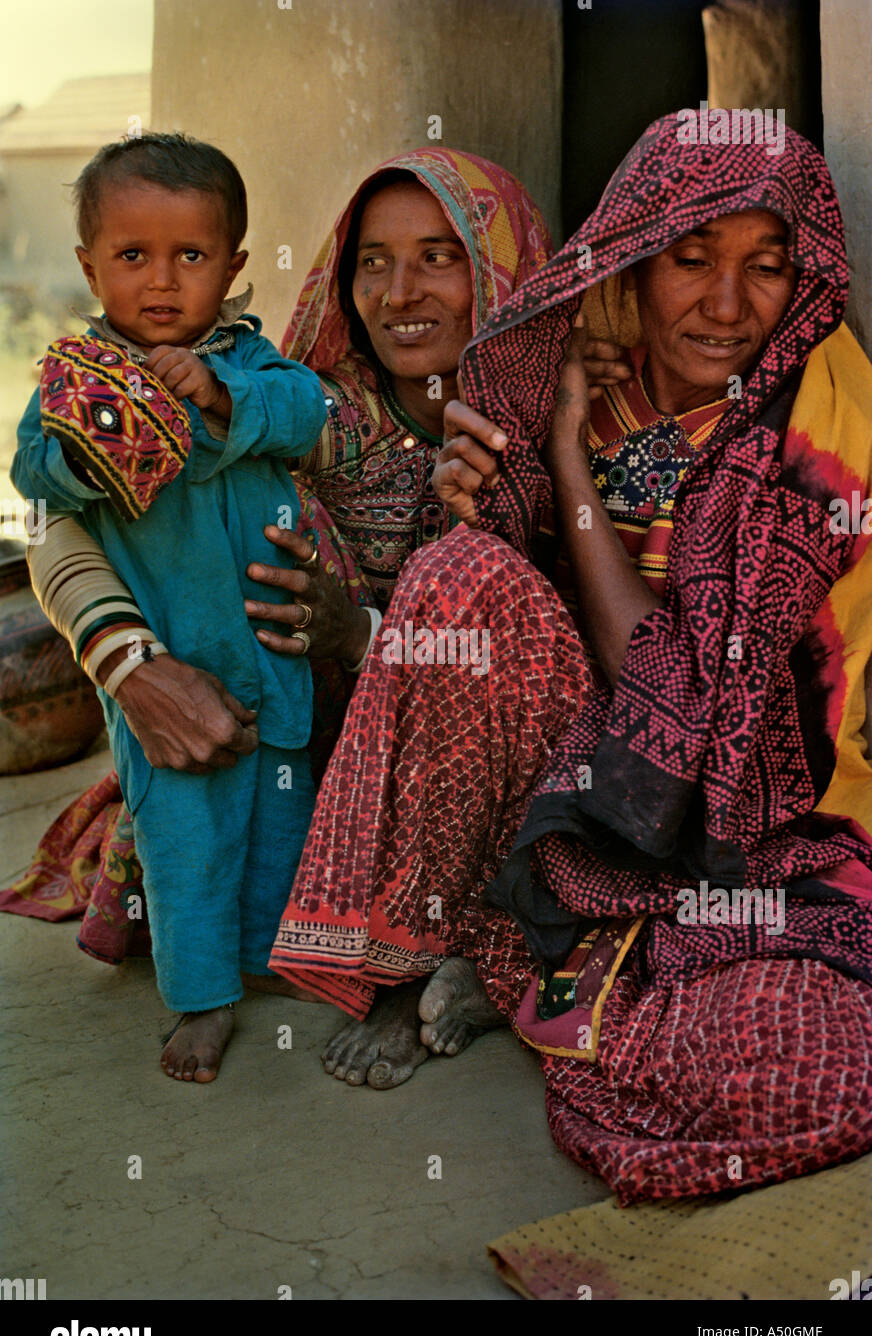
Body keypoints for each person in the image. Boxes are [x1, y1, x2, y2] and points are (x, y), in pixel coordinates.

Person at [266, 112, 872, 1202]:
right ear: (637, 256)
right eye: (689, 261)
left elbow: (669, 673)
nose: (724, 307)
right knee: (456, 579)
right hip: (574, 800)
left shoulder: (826, 434)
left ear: (807, 275)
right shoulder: (571, 367)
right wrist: (516, 471)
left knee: (802, 1062)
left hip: (763, 837)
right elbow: (481, 609)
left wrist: (569, 472)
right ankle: (437, 952)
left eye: (765, 268)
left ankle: (540, 956)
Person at [2, 147, 555, 1056]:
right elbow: (53, 511)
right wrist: (127, 655)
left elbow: (563, 654)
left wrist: (366, 631)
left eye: (441, 254)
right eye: (372, 261)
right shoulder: (263, 402)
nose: (400, 289)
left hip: (473, 746)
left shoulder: (560, 419)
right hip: (277, 713)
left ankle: (386, 951)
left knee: (286, 825)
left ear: (498, 267)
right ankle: (226, 985)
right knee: (198, 837)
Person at [12, 133, 327, 1083]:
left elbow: (308, 411)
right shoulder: (76, 385)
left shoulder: (250, 363)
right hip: (166, 676)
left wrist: (225, 396)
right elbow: (35, 479)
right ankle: (201, 1000)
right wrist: (84, 449)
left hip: (274, 663)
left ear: (231, 267)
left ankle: (267, 958)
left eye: (191, 257)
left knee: (280, 825)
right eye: (132, 256)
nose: (161, 281)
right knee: (186, 848)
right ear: (88, 266)